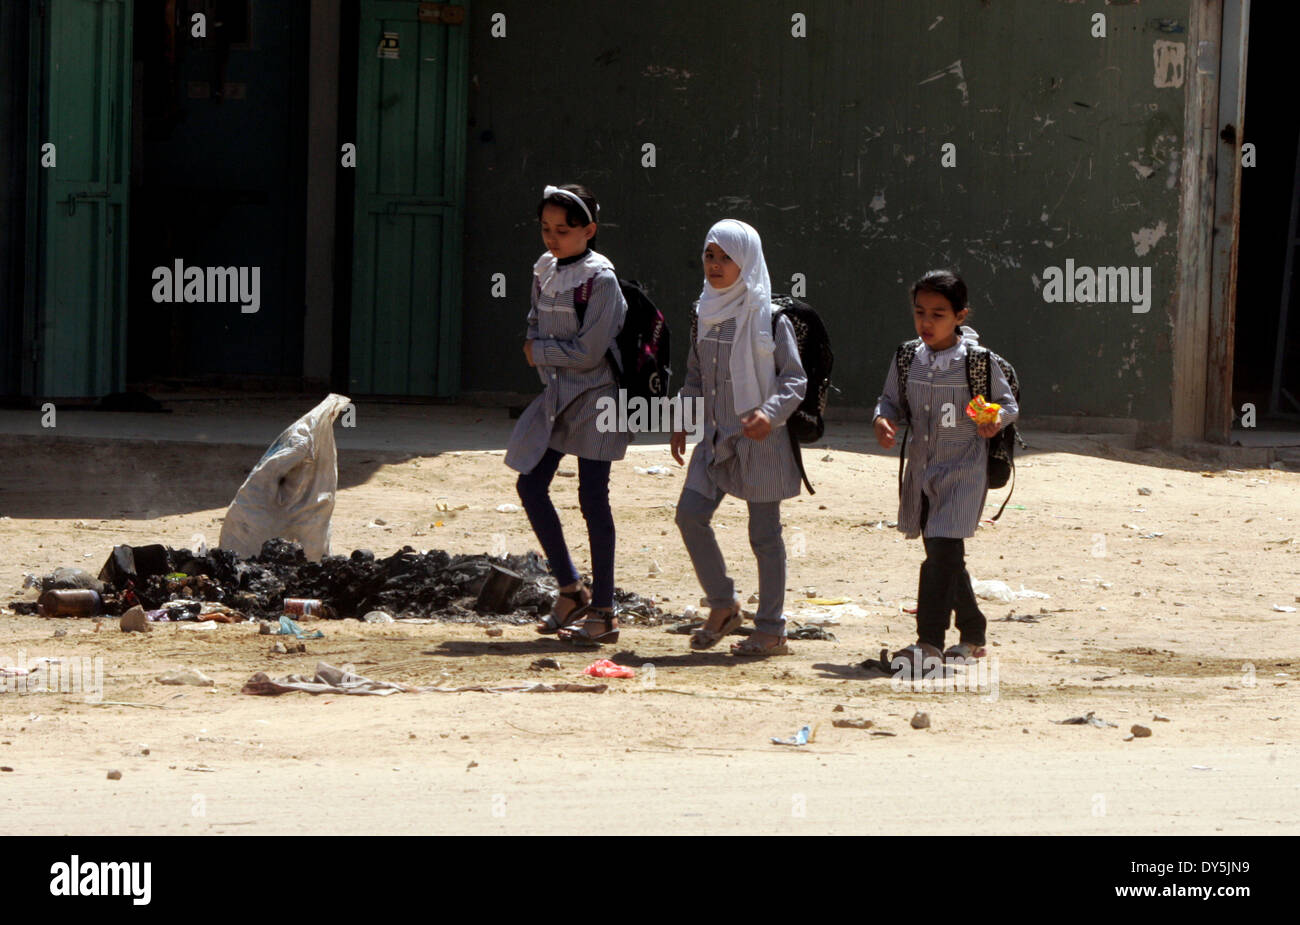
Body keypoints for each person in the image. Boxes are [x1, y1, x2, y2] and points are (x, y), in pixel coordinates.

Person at [670, 220, 807, 657]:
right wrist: (682, 418)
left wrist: (769, 414)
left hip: (760, 441)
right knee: (690, 515)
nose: (715, 264)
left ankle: (771, 628)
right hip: (714, 438)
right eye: (710, 255)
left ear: (745, 261)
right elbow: (695, 375)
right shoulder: (703, 312)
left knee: (765, 537)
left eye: (726, 257)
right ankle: (724, 606)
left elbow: (794, 379)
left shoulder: (768, 316)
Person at [872, 269, 1019, 667]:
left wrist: (994, 420)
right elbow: (889, 401)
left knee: (940, 552)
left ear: (960, 316)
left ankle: (929, 642)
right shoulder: (906, 357)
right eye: (920, 312)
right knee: (945, 556)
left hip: (963, 472)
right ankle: (973, 631)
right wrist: (883, 419)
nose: (926, 322)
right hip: (921, 472)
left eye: (938, 313)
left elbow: (1008, 405)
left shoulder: (977, 363)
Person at [505, 184, 627, 646]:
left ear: (589, 231)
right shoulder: (544, 270)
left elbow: (590, 352)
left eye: (563, 230)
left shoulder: (602, 280)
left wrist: (540, 351)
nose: (552, 238)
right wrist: (540, 346)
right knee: (530, 483)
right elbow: (534, 322)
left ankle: (605, 610)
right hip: (557, 397)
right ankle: (571, 588)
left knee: (593, 498)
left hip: (600, 399)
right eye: (545, 229)